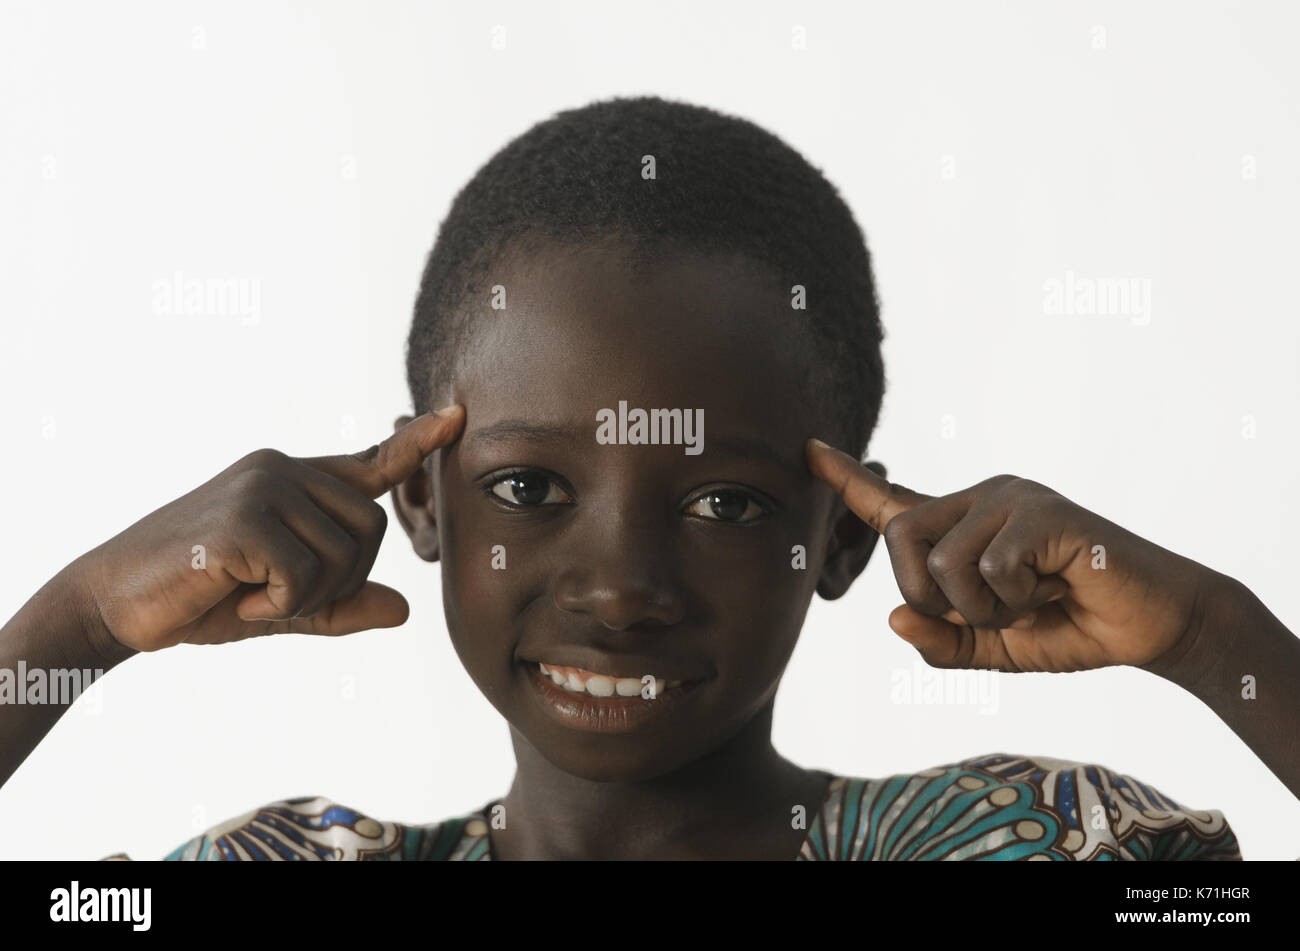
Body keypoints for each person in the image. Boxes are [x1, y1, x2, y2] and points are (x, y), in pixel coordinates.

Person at [4, 97, 1293, 860]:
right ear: (420, 502)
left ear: (838, 541)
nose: (620, 590)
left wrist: (1210, 635)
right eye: (529, 489)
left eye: (724, 503)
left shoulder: (1030, 841)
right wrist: (77, 625)